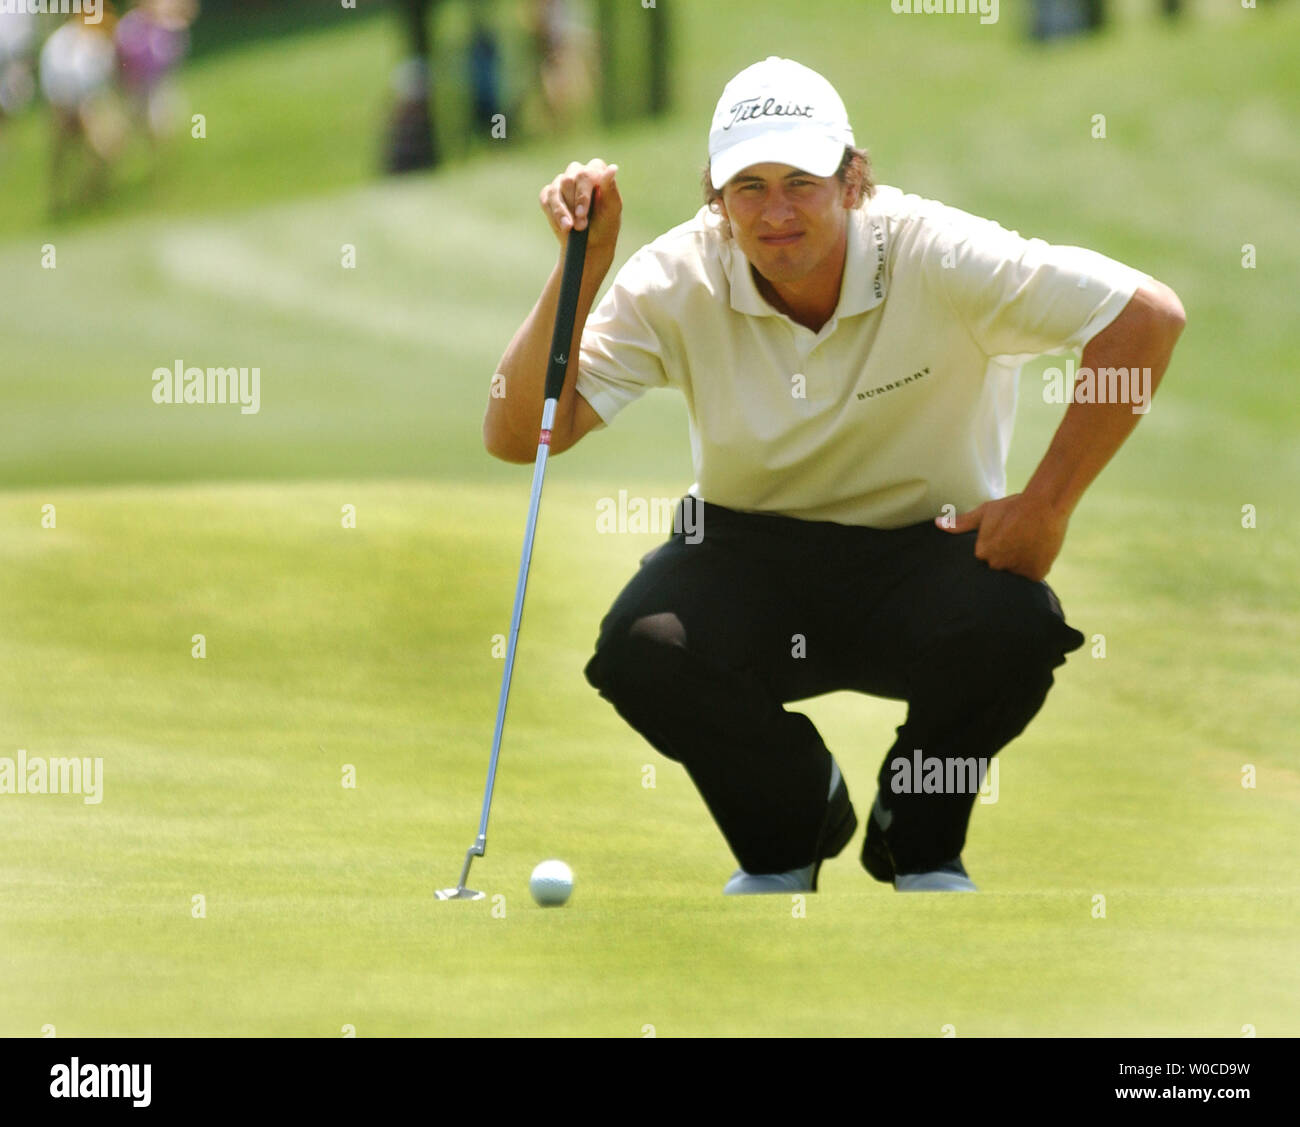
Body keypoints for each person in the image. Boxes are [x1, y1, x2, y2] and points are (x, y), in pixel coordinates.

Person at [484, 57, 1185, 894]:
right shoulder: (679, 276)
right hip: (746, 557)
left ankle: (918, 842)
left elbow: (1146, 318)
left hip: (926, 557)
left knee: (1015, 628)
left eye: (801, 182)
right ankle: (790, 829)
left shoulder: (939, 253)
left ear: (852, 180)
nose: (776, 213)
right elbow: (519, 431)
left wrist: (1048, 503)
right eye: (748, 186)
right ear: (715, 195)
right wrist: (581, 264)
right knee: (645, 649)